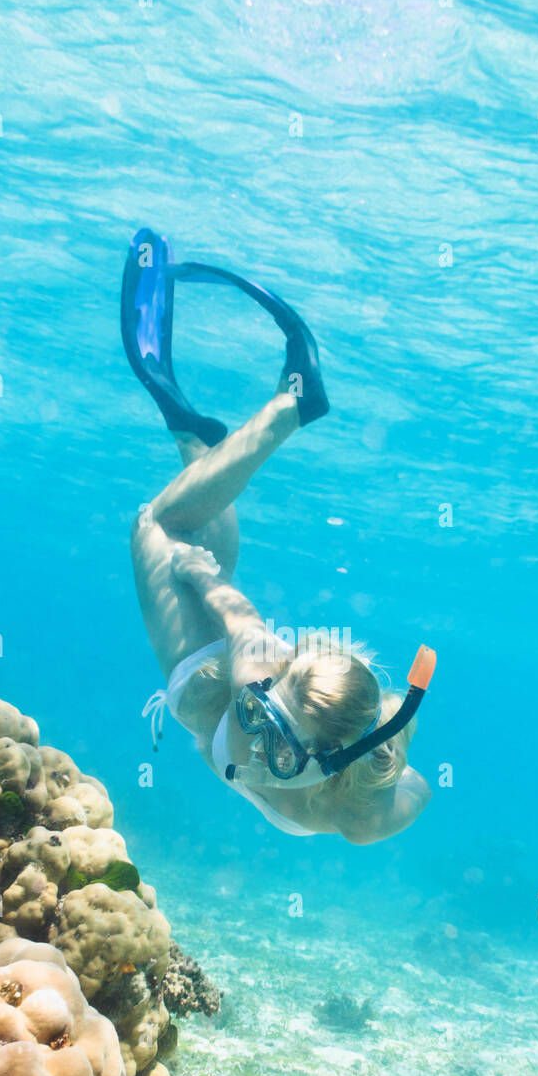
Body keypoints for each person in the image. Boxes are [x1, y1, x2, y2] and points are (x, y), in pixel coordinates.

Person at [124, 229, 433, 843]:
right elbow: (239, 621)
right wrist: (200, 575)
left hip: (240, 695)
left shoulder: (363, 817)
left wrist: (388, 747)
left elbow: (416, 788)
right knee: (158, 525)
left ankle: (198, 442)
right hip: (201, 670)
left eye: (283, 749)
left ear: (342, 762)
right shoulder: (257, 676)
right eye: (263, 717)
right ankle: (288, 408)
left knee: (191, 508)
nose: (262, 749)